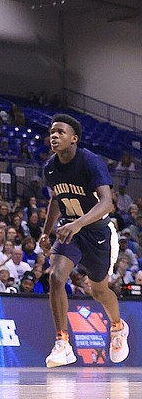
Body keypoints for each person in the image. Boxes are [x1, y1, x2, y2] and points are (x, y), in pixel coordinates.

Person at [41, 114, 130, 367]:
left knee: (99, 291)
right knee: (56, 277)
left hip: (98, 233)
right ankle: (62, 342)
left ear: (74, 138)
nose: (54, 136)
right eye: (51, 132)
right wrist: (46, 232)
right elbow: (57, 199)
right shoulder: (50, 167)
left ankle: (117, 327)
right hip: (69, 230)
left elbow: (107, 203)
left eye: (60, 132)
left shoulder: (91, 162)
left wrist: (78, 223)